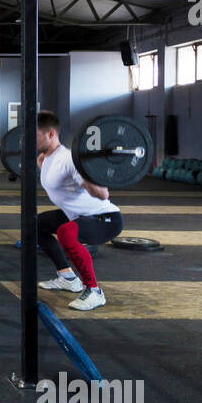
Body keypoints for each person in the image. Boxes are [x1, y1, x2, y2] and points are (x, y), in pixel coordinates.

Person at [34, 111, 123, 311]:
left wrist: (88, 180)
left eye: (35, 134)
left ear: (50, 134)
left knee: (67, 233)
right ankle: (67, 277)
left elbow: (103, 195)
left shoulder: (69, 159)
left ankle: (94, 291)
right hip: (76, 214)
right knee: (34, 225)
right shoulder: (45, 158)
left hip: (104, 218)